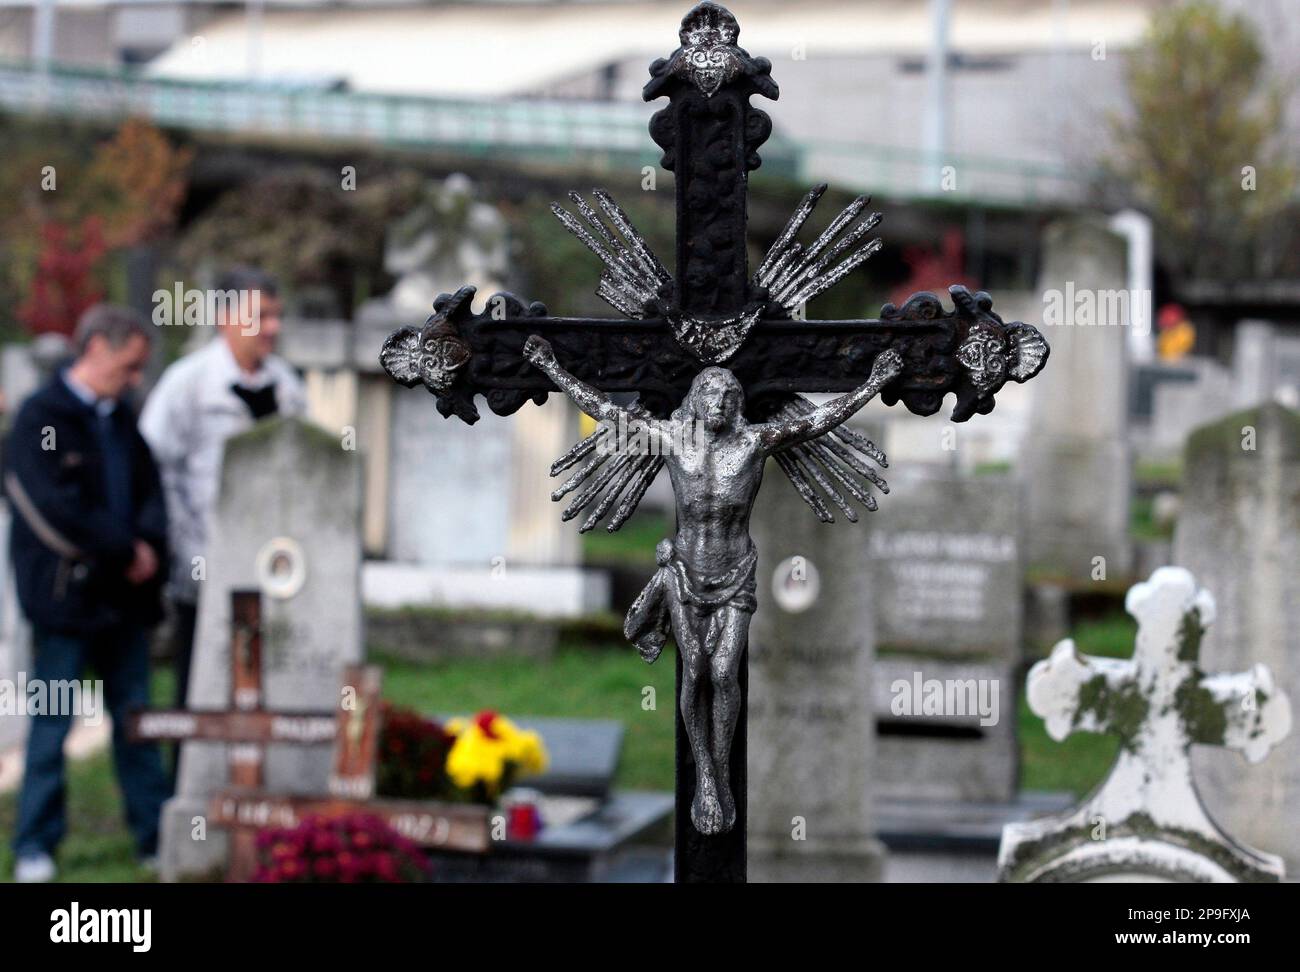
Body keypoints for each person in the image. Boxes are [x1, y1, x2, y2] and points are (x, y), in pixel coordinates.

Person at [523, 334, 902, 834]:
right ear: (696, 401)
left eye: (728, 396)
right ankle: (706, 773)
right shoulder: (672, 439)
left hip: (735, 573)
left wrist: (874, 383)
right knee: (695, 669)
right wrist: (552, 367)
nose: (720, 403)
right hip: (684, 570)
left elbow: (819, 421)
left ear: (737, 402)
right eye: (710, 395)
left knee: (725, 671)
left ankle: (718, 769)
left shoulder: (754, 442)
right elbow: (607, 413)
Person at [6, 304, 172, 883]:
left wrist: (148, 543)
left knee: (136, 724)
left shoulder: (122, 419)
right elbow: (51, 509)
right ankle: (34, 848)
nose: (134, 380)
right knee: (52, 727)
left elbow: (150, 489)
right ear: (97, 347)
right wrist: (125, 550)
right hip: (65, 603)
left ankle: (155, 838)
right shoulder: (41, 419)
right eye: (129, 366)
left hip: (122, 605)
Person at [139, 267, 305, 711]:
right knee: (200, 684)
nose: (273, 328)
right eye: (261, 316)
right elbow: (153, 467)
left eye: (277, 316)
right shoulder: (187, 383)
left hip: (272, 560)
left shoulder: (286, 386)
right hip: (202, 560)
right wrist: (178, 545)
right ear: (225, 317)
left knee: (269, 682)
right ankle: (191, 778)